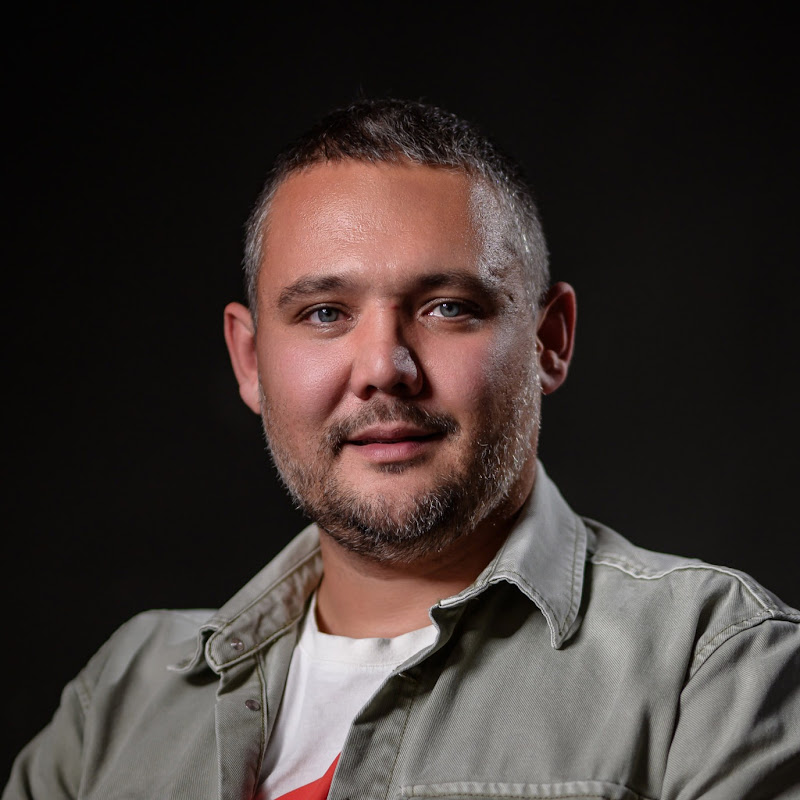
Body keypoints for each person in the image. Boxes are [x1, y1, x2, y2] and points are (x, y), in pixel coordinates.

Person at [4, 99, 799, 800]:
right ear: (249, 361)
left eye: (448, 306)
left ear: (549, 341)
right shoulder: (121, 700)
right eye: (324, 313)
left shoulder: (714, 668)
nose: (384, 367)